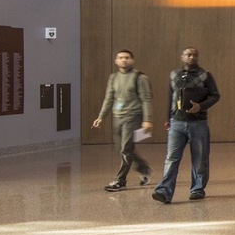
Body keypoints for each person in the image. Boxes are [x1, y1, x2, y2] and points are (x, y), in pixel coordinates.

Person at [152, 46, 219, 204]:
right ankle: (164, 191)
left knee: (200, 157)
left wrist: (201, 106)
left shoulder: (205, 75)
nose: (191, 57)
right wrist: (168, 117)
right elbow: (171, 96)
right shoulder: (174, 74)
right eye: (188, 54)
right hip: (177, 122)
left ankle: (197, 189)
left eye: (194, 55)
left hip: (198, 123)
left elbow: (215, 95)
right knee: (171, 158)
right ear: (182, 56)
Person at [91, 49, 154, 192]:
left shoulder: (140, 77)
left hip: (133, 116)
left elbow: (146, 99)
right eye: (120, 57)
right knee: (121, 147)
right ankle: (144, 168)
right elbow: (109, 98)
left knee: (126, 148)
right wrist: (101, 117)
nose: (124, 60)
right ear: (116, 61)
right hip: (118, 116)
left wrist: (147, 119)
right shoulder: (113, 78)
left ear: (132, 60)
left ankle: (120, 180)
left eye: (127, 57)